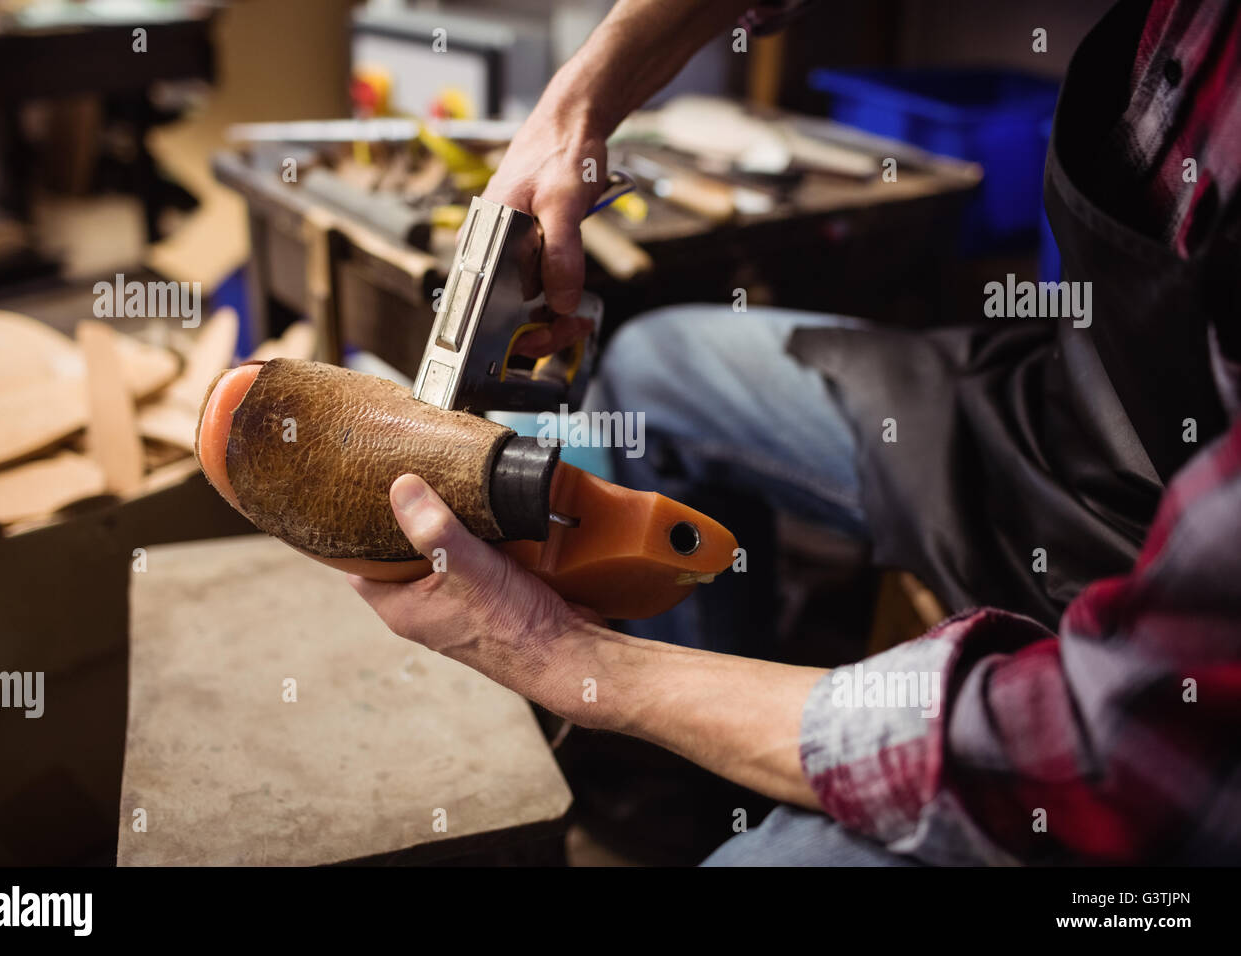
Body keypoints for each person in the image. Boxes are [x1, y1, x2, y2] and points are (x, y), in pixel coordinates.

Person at [350, 0, 1241, 864]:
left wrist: (574, 660)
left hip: (1156, 713)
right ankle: (697, 794)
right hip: (1078, 418)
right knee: (659, 364)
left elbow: (1102, 757)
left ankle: (741, 777)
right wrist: (576, 104)